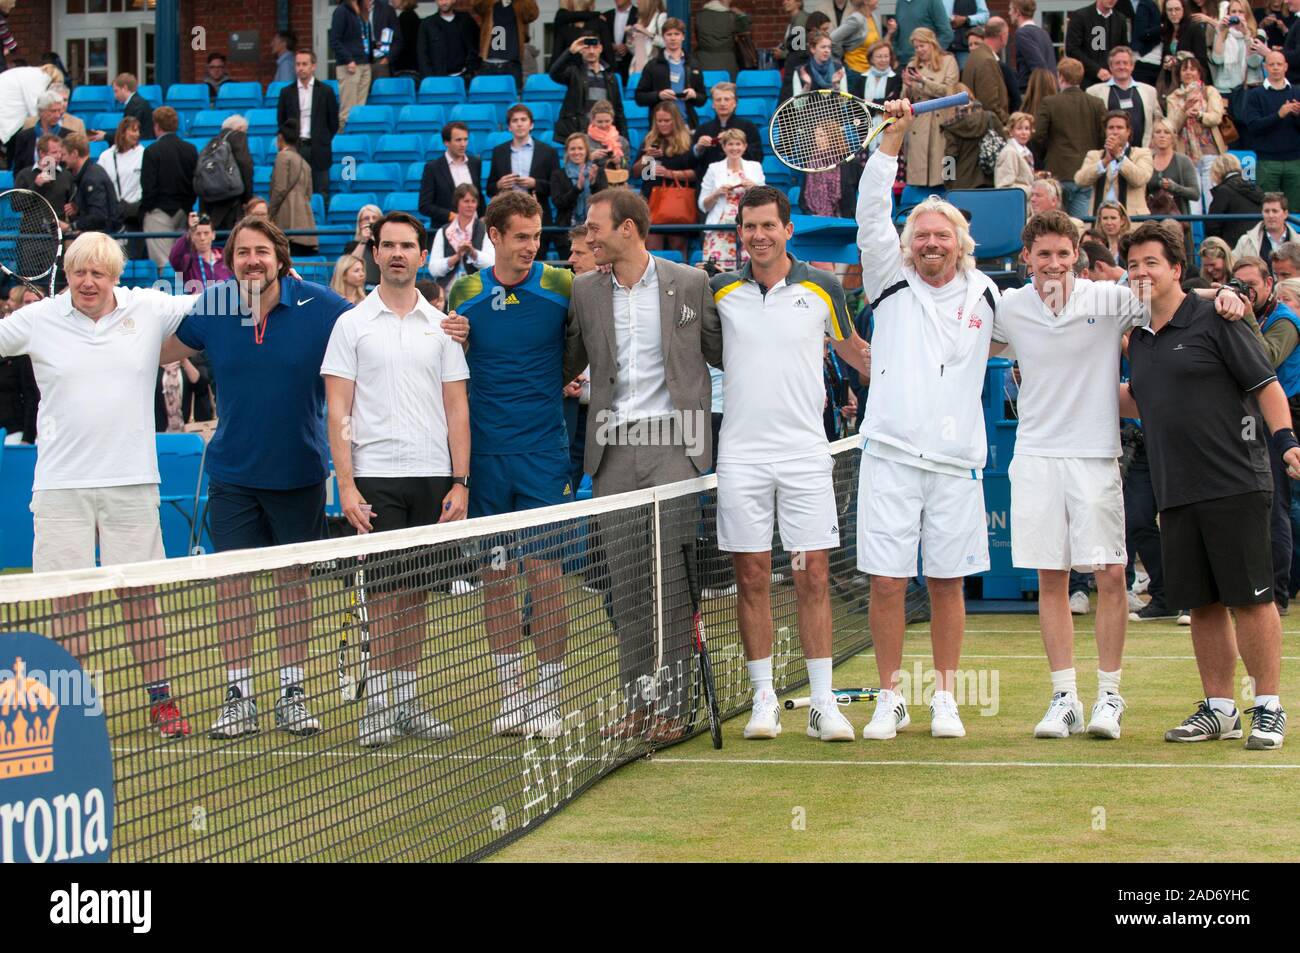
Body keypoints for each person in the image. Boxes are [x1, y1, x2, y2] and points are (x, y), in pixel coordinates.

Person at [0, 233, 202, 738]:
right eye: (78, 272)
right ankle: (69, 711)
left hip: (131, 482)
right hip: (60, 486)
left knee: (140, 597)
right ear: (66, 274)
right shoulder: (36, 318)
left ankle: (161, 701)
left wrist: (272, 281)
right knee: (68, 601)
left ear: (115, 276)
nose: (87, 282)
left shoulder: (147, 306)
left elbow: (214, 304)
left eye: (98, 273)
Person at [161, 217, 355, 741]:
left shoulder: (321, 305)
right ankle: (239, 696)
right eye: (242, 252)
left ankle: (292, 693)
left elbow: (376, 330)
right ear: (229, 261)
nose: (252, 260)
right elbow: (156, 352)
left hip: (300, 472)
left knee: (293, 583)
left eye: (262, 251)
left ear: (280, 257)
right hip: (232, 474)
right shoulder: (214, 306)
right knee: (234, 585)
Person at [855, 98, 1002, 741]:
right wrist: (893, 138)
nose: (932, 243)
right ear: (908, 245)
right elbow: (870, 213)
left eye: (942, 235)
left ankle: (944, 698)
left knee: (947, 584)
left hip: (956, 465)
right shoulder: (888, 278)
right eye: (922, 236)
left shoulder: (989, 294)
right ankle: (890, 698)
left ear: (961, 243)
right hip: (889, 456)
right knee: (888, 583)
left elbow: (1050, 326)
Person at [707, 185, 870, 742]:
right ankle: (764, 699)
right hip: (741, 458)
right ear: (740, 233)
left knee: (812, 573)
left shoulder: (823, 288)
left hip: (804, 455)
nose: (758, 236)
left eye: (768, 226)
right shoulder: (720, 292)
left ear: (787, 229)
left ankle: (823, 702)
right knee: (751, 576)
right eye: (749, 227)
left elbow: (855, 351)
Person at [557, 187, 721, 741]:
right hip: (610, 449)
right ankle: (638, 705)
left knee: (670, 584)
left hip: (677, 444)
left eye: (595, 227)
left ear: (627, 229)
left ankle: (673, 708)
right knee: (625, 586)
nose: (588, 236)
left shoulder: (690, 283)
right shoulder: (584, 291)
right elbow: (563, 359)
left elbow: (726, 350)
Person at [1122, 221, 1292, 749]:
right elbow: (1140, 400)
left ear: (1177, 269)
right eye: (1133, 265)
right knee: (1202, 605)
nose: (1141, 272)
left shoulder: (1220, 317)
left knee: (1252, 599)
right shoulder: (1137, 339)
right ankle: (1220, 709)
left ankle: (1268, 706)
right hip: (1176, 490)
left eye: (1151, 263)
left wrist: (1287, 442)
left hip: (1236, 481)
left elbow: (1265, 385)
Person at [995, 211, 1163, 739]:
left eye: (1063, 254)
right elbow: (961, 346)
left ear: (1077, 257)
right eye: (1043, 254)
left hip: (1094, 455)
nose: (1053, 264)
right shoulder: (1008, 307)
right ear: (1027, 258)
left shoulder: (1109, 299)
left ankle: (1109, 696)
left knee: (1110, 574)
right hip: (1036, 456)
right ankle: (1064, 698)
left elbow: (1170, 298)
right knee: (1052, 577)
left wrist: (1227, 295)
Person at [322, 210, 468, 746]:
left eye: (408, 246)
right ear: (376, 253)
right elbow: (339, 410)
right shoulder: (350, 325)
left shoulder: (443, 325)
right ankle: (379, 707)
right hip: (375, 477)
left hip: (432, 476)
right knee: (384, 598)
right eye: (389, 245)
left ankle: (405, 701)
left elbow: (457, 409)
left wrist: (460, 481)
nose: (399, 254)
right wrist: (347, 484)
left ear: (421, 255)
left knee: (415, 596)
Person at [443, 192, 573, 739]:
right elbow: (450, 364)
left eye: (536, 236)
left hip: (543, 458)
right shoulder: (465, 291)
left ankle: (547, 698)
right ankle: (511, 697)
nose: (531, 246)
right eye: (521, 236)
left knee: (545, 576)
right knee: (495, 577)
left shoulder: (561, 284)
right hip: (487, 460)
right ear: (493, 236)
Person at [1232, 254, 1300, 616]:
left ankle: (1278, 593)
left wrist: (1243, 316)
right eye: (1239, 285)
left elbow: (1265, 360)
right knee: (1251, 505)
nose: (1246, 292)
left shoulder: (1285, 321)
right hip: (1249, 418)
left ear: (1269, 283)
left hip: (1282, 419)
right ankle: (1255, 588)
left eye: (1252, 285)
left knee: (1275, 507)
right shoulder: (1248, 313)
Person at [486, 105, 561, 250]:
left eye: (523, 120)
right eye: (515, 121)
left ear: (531, 124)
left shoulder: (548, 152)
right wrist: (499, 184)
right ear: (509, 127)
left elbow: (556, 187)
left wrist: (535, 183)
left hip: (538, 216)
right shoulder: (499, 152)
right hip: (506, 217)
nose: (519, 124)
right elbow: (490, 188)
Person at [633, 100, 697, 258]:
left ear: (675, 120)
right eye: (659, 121)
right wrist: (646, 157)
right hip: (651, 199)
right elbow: (636, 173)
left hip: (677, 200)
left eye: (667, 120)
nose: (662, 124)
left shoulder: (688, 141)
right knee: (652, 250)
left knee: (678, 248)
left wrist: (670, 174)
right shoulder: (650, 140)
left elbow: (697, 174)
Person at [1239, 51, 1300, 213]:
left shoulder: (1297, 92)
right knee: (1268, 210)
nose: (1275, 68)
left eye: (1279, 64)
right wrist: (1279, 115)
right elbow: (1253, 126)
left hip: (1295, 161)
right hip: (1267, 162)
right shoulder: (1255, 95)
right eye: (1271, 64)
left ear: (1286, 67)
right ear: (1265, 67)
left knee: (1295, 211)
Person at [902, 27, 961, 191]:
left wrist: (924, 81)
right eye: (916, 47)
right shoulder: (912, 65)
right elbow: (905, 100)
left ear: (932, 43)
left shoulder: (948, 61)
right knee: (918, 180)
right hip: (918, 126)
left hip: (943, 124)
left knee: (946, 173)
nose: (919, 50)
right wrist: (908, 86)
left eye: (922, 45)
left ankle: (948, 195)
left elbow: (949, 92)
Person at [1164, 54, 1226, 208]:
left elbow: (1216, 117)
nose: (1188, 72)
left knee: (1213, 198)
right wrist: (1184, 110)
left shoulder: (1209, 91)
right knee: (1193, 202)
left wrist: (1199, 115)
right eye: (1184, 69)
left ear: (1199, 73)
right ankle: (1195, 226)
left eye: (1192, 69)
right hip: (1186, 155)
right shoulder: (1173, 97)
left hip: (1210, 152)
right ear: (1179, 74)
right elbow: (1171, 126)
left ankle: (1212, 224)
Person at [277, 48, 340, 198]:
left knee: (321, 192)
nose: (301, 68)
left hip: (319, 148)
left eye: (304, 64)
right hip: (296, 147)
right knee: (295, 193)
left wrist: (322, 139)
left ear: (313, 66)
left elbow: (333, 123)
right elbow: (281, 121)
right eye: (298, 64)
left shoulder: (326, 91)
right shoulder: (286, 92)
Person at [140, 107, 198, 268]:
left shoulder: (152, 151)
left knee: (163, 265)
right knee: (182, 262)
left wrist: (147, 209)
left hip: (159, 213)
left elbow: (148, 187)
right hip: (184, 211)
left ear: (157, 126)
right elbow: (195, 183)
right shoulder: (190, 149)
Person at [699, 128, 764, 271]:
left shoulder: (755, 167)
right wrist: (716, 193)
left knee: (749, 272)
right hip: (719, 228)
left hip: (749, 227)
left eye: (738, 144)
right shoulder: (713, 168)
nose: (734, 148)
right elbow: (703, 205)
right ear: (723, 147)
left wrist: (754, 188)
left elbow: (765, 201)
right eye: (730, 144)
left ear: (745, 146)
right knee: (716, 272)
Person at [549, 30, 626, 141]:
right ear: (580, 50)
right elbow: (554, 73)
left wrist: (623, 139)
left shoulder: (611, 77)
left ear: (600, 48)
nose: (591, 51)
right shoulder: (574, 72)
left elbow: (618, 110)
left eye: (595, 47)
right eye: (587, 47)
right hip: (580, 133)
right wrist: (570, 51)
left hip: (604, 133)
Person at [1076, 110, 1155, 217]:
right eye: (1111, 128)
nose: (1115, 132)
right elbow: (1080, 180)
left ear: (1128, 131)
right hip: (1100, 220)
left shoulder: (1142, 153)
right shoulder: (1094, 155)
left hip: (1133, 220)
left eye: (1119, 127)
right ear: (1105, 131)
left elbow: (1139, 179)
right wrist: (1104, 162)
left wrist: (1118, 155)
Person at [634, 18, 707, 128]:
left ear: (683, 37)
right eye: (669, 34)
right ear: (663, 37)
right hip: (660, 126)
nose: (673, 38)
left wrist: (694, 95)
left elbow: (702, 99)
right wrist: (659, 95)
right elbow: (639, 97)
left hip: (686, 123)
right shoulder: (652, 65)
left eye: (677, 34)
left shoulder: (693, 64)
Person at [1086, 47, 1163, 150]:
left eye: (1125, 63)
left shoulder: (1149, 91)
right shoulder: (1094, 92)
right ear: (1110, 66)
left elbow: (1158, 119)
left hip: (1142, 152)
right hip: (1107, 152)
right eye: (1117, 63)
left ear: (1132, 66)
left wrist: (1154, 139)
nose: (1122, 67)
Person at [269, 122, 320, 260]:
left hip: (287, 218)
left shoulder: (282, 157)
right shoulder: (304, 162)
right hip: (305, 221)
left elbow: (279, 189)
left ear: (280, 138)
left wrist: (270, 214)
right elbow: (309, 194)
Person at [428, 182, 495, 288]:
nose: (470, 205)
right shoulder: (443, 231)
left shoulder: (484, 229)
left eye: (473, 201)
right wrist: (456, 257)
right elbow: (433, 269)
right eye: (466, 201)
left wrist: (473, 253)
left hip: (477, 288)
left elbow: (491, 264)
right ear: (457, 203)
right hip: (447, 289)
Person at [418, 122, 481, 227]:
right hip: (446, 228)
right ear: (446, 142)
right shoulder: (432, 168)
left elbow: (478, 196)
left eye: (465, 139)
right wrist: (451, 216)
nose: (463, 144)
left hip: (474, 227)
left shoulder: (475, 163)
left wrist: (482, 218)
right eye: (458, 140)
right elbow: (424, 205)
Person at [200, 114, 255, 233]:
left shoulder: (212, 143)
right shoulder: (238, 137)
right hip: (232, 204)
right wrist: (248, 199)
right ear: (240, 128)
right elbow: (245, 166)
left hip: (210, 204)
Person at [0, 287, 41, 445]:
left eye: (34, 301)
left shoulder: (21, 354)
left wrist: (28, 437)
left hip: (14, 433)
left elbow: (31, 396)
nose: (31, 305)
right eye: (27, 302)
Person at [691, 81, 763, 170]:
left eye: (727, 99)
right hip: (710, 177)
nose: (722, 103)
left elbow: (757, 158)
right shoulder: (702, 129)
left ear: (735, 103)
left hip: (741, 176)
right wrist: (698, 149)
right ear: (713, 104)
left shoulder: (748, 127)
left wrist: (735, 145)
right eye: (718, 100)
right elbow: (691, 163)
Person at [471, 0, 538, 92]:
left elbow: (532, 14)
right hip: (489, 64)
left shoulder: (519, 5)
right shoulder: (489, 4)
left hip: (512, 64)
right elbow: (476, 5)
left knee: (512, 98)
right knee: (486, 96)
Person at [552, 132, 610, 235]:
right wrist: (577, 188)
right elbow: (559, 203)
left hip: (595, 230)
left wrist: (593, 184)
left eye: (580, 148)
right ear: (567, 152)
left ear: (586, 151)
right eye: (572, 149)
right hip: (567, 231)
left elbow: (604, 202)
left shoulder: (598, 172)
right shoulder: (558, 174)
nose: (576, 152)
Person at [1206, 152, 1266, 249]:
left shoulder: (1223, 191)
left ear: (1217, 172)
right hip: (1257, 244)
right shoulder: (1256, 188)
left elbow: (1212, 225)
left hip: (1233, 247)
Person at [1066, 0, 1133, 88]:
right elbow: (1072, 49)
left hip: (1113, 80)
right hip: (1087, 79)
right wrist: (1096, 70)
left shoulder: (1120, 19)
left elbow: (1123, 49)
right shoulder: (1080, 16)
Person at [15, 135, 73, 231]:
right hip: (31, 233)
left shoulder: (67, 176)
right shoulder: (24, 174)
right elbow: (16, 206)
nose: (59, 156)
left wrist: (73, 207)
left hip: (57, 232)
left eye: (60, 152)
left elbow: (72, 205)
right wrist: (36, 186)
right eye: (54, 152)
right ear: (42, 153)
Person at [330, 0, 374, 126]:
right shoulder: (341, 11)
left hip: (364, 64)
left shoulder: (362, 10)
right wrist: (348, 59)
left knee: (359, 110)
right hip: (349, 66)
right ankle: (344, 136)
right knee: (347, 112)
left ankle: (357, 135)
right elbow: (335, 41)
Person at [1147, 117, 1202, 214]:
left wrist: (1174, 187)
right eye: (1158, 132)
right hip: (1151, 219)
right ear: (1153, 137)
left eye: (1167, 132)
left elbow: (1195, 194)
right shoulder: (1147, 161)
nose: (1162, 136)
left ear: (1173, 137)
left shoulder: (1183, 161)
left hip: (1177, 218)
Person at [1210, 1, 1265, 95]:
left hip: (1248, 89)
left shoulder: (1258, 33)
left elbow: (1254, 63)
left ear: (1247, 14)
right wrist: (1221, 33)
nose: (1237, 15)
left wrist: (1246, 35)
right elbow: (1217, 60)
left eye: (1241, 12)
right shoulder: (1222, 33)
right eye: (1233, 11)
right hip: (1225, 88)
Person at [418, 0, 481, 81]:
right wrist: (431, 78)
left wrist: (470, 67)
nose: (443, 2)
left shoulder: (466, 20)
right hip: (438, 78)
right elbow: (422, 54)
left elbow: (475, 44)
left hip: (464, 76)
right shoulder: (427, 24)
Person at [959, 20, 1009, 124]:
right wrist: (1008, 122)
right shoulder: (987, 60)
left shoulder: (974, 56)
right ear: (1002, 36)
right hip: (987, 126)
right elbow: (990, 104)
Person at [830, 0, 882, 97]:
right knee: (855, 105)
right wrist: (840, 53)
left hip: (870, 72)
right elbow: (832, 39)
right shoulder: (856, 19)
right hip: (854, 72)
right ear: (866, 1)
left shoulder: (874, 16)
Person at [169, 212, 234, 290]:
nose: (202, 238)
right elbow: (174, 258)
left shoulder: (227, 258)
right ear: (192, 237)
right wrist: (189, 233)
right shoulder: (188, 261)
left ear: (213, 235)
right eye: (198, 234)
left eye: (206, 233)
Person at [693, 0, 749, 79]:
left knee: (704, 85)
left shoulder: (699, 15)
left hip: (703, 62)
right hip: (727, 63)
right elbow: (745, 29)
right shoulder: (731, 16)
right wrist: (741, 14)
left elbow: (697, 36)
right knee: (727, 85)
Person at [1236, 192, 1300, 259]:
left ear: (1285, 214)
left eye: (1275, 211)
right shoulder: (1245, 242)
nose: (1270, 215)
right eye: (1266, 211)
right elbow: (1233, 263)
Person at [1010, 0, 1055, 93]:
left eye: (1010, 9)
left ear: (1017, 12)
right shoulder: (1043, 33)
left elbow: (1038, 65)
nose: (1009, 13)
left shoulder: (1022, 33)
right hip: (1049, 88)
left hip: (1032, 91)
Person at [554, 1, 614, 67]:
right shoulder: (599, 23)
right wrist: (613, 69)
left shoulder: (563, 25)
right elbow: (608, 51)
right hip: (594, 69)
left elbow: (556, 54)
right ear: (590, 5)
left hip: (570, 69)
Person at [894, 0, 954, 66]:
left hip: (928, 64)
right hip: (903, 63)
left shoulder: (932, 2)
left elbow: (947, 34)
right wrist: (897, 54)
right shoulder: (900, 3)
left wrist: (932, 54)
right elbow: (897, 34)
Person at [995, 112, 1036, 207]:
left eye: (1027, 128)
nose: (1024, 133)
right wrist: (1033, 190)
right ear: (1011, 131)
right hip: (1015, 207)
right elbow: (1004, 188)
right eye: (1019, 128)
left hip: (1025, 206)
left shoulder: (1026, 152)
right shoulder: (1010, 152)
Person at [344, 204, 382, 285]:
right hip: (359, 287)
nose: (371, 221)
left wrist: (376, 240)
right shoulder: (351, 245)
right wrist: (363, 240)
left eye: (375, 218)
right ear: (360, 224)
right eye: (366, 218)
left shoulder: (387, 244)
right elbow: (350, 267)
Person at [602, 0, 639, 80]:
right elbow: (602, 39)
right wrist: (610, 45)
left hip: (631, 65)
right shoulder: (606, 15)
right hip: (610, 65)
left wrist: (628, 47)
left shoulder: (639, 14)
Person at [629, 0, 668, 75]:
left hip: (652, 67)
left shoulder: (661, 17)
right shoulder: (640, 19)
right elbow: (635, 50)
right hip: (636, 67)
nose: (637, 2)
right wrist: (629, 37)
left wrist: (646, 32)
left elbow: (665, 43)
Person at [368, 0, 403, 80]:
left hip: (380, 60)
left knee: (382, 87)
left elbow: (398, 40)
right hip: (358, 62)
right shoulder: (351, 9)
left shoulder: (386, 9)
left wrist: (387, 59)